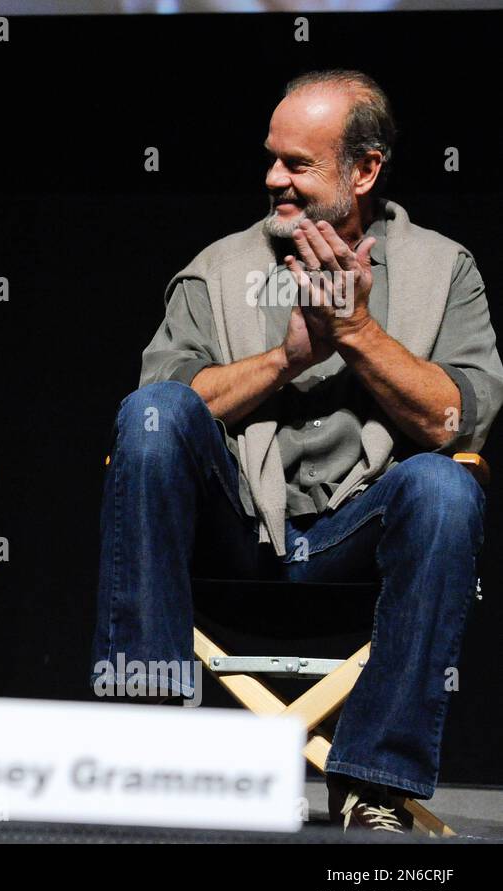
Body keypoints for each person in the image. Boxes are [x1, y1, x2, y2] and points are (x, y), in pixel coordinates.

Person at [92, 70, 503, 832]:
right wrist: (285, 360)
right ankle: (145, 746)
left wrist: (355, 332)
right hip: (234, 545)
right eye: (272, 158)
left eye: (298, 164)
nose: (274, 178)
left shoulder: (447, 269)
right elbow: (158, 408)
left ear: (366, 169)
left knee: (447, 487)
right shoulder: (217, 269)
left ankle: (375, 785)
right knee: (152, 415)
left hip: (363, 554)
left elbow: (457, 418)